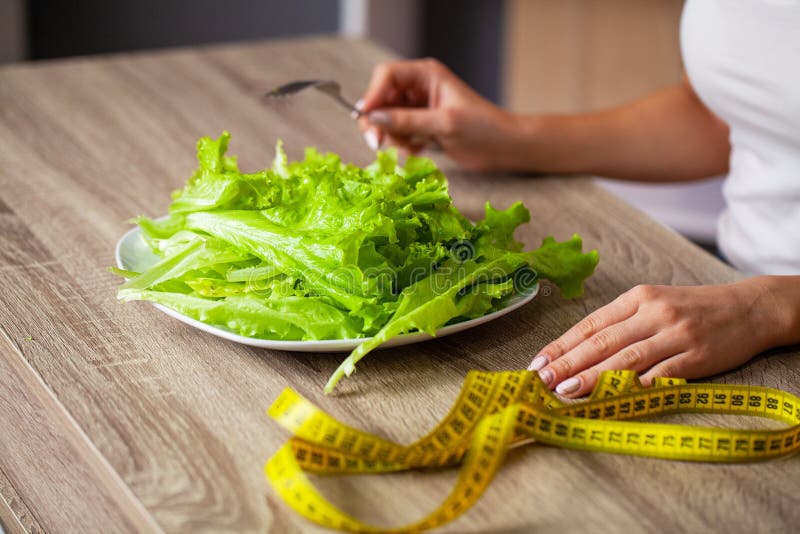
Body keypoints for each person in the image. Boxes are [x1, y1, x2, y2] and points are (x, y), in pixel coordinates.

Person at [356, 0, 800, 397]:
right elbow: (723, 115)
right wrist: (507, 138)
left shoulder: (759, 310)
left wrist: (768, 308)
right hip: (728, 286)